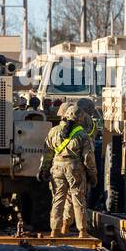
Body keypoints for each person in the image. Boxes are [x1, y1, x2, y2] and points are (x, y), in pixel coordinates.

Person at [39, 101, 97, 238]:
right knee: (78, 199)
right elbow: (89, 158)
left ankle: (55, 231)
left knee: (58, 199)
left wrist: (44, 170)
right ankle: (82, 231)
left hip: (57, 168)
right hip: (75, 169)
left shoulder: (53, 131)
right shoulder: (82, 134)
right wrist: (92, 175)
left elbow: (47, 153)